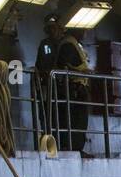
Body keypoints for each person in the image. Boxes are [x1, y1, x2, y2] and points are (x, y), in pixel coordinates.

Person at [34, 13, 91, 153]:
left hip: (64, 91)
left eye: (55, 28)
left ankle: (70, 147)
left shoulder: (68, 44)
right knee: (52, 120)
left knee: (69, 120)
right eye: (50, 29)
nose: (53, 31)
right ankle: (55, 146)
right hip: (52, 90)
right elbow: (44, 65)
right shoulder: (48, 45)